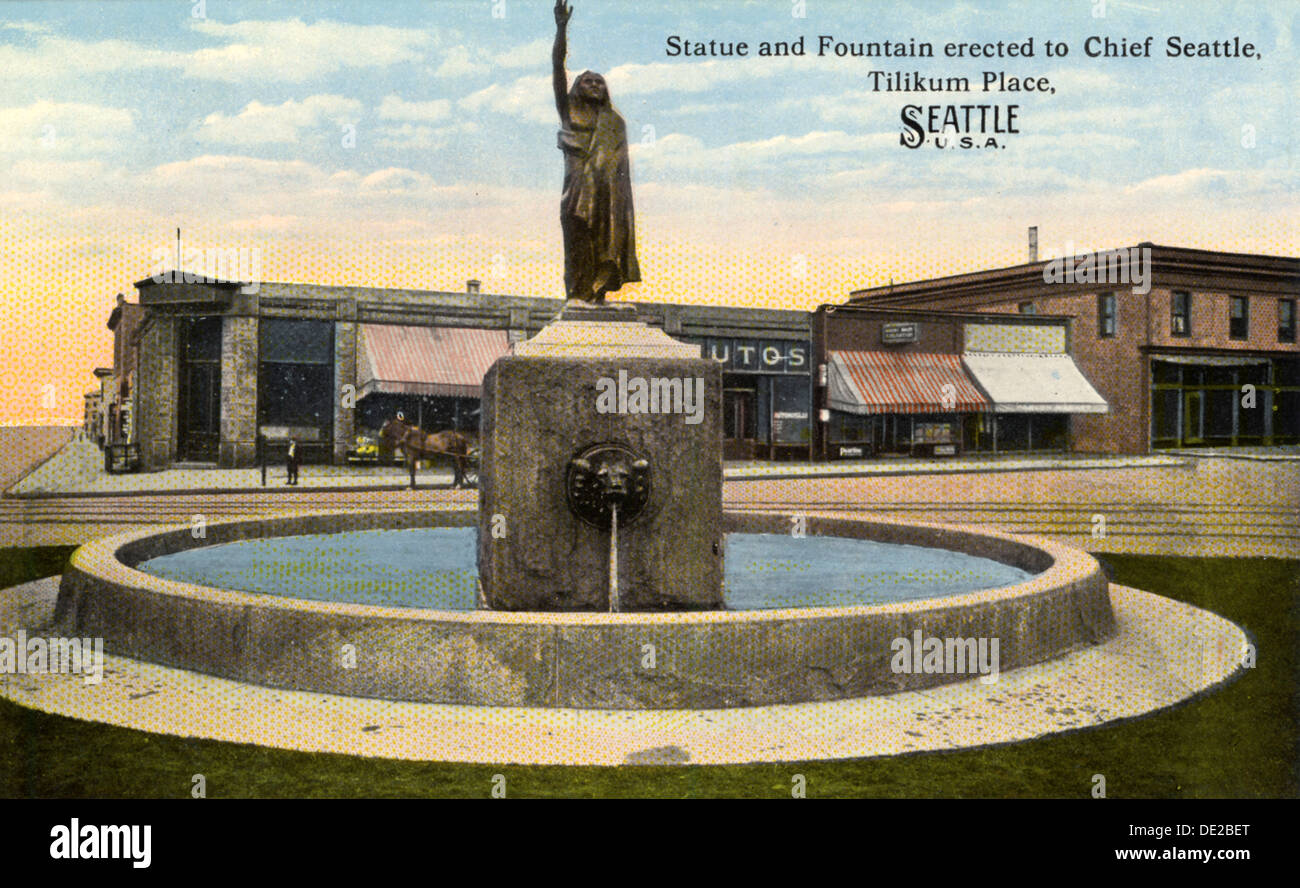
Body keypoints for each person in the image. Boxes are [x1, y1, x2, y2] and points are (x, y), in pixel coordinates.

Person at [553, 0, 640, 304]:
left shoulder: (614, 122)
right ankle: (577, 294)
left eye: (599, 82)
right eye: (587, 81)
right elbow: (557, 68)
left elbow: (619, 167)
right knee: (577, 241)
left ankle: (597, 296)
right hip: (576, 188)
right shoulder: (569, 113)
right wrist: (561, 29)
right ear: (577, 87)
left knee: (605, 240)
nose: (594, 85)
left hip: (608, 195)